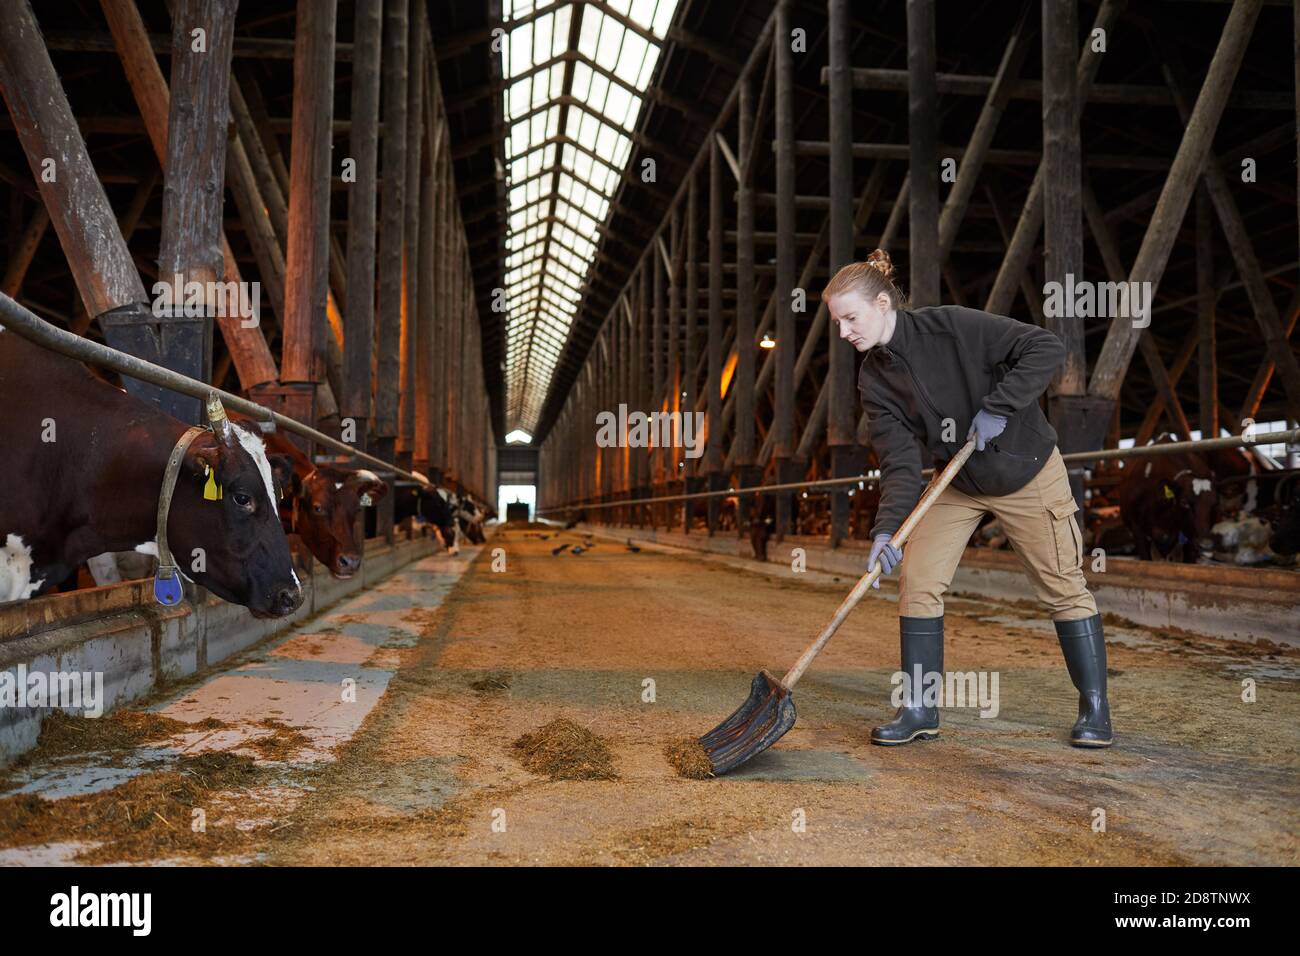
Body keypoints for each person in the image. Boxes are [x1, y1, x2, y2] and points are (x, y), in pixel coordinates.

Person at [823, 249, 1112, 748]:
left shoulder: (952, 327)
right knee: (918, 581)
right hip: (957, 481)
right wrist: (888, 529)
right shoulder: (874, 378)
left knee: (1062, 586)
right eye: (838, 322)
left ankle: (1095, 709)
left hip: (1026, 468)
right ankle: (919, 709)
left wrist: (999, 407)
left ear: (884, 304)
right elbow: (899, 463)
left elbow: (1044, 347)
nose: (845, 331)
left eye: (851, 318)